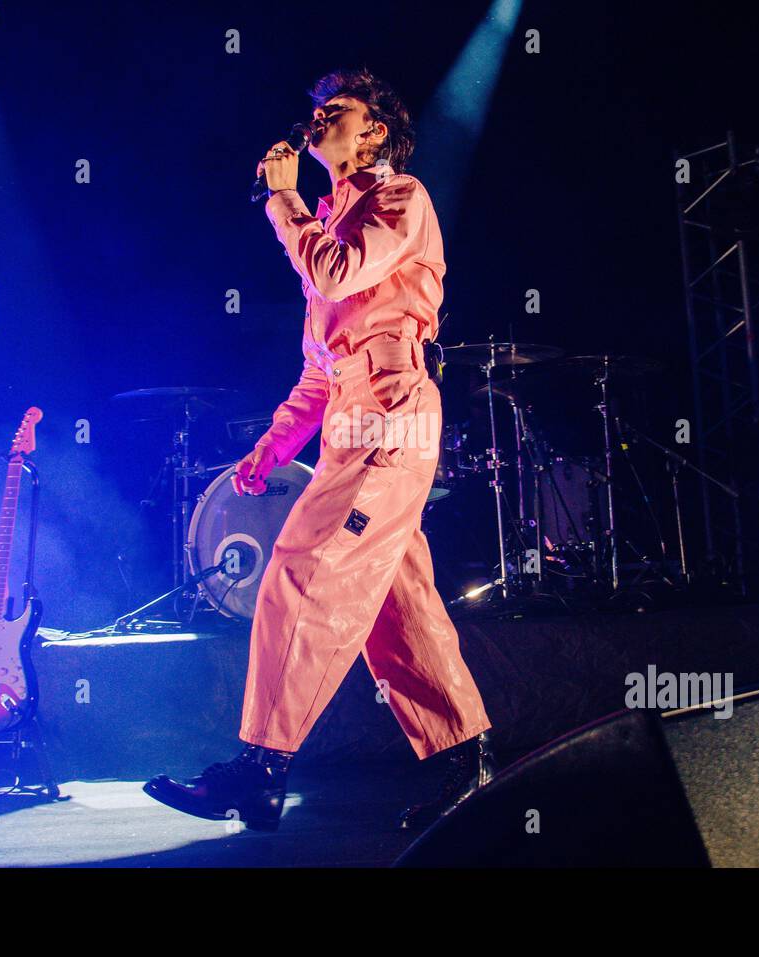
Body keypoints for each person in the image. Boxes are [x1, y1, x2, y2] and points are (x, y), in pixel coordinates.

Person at [145, 68, 493, 832]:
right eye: (314, 110)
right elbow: (319, 367)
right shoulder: (329, 222)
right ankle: (468, 768)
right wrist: (271, 448)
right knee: (396, 611)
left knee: (299, 574)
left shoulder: (400, 200)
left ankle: (261, 768)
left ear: (374, 132)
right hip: (350, 429)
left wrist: (282, 199)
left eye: (336, 111)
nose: (317, 119)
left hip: (391, 423)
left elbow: (337, 271)